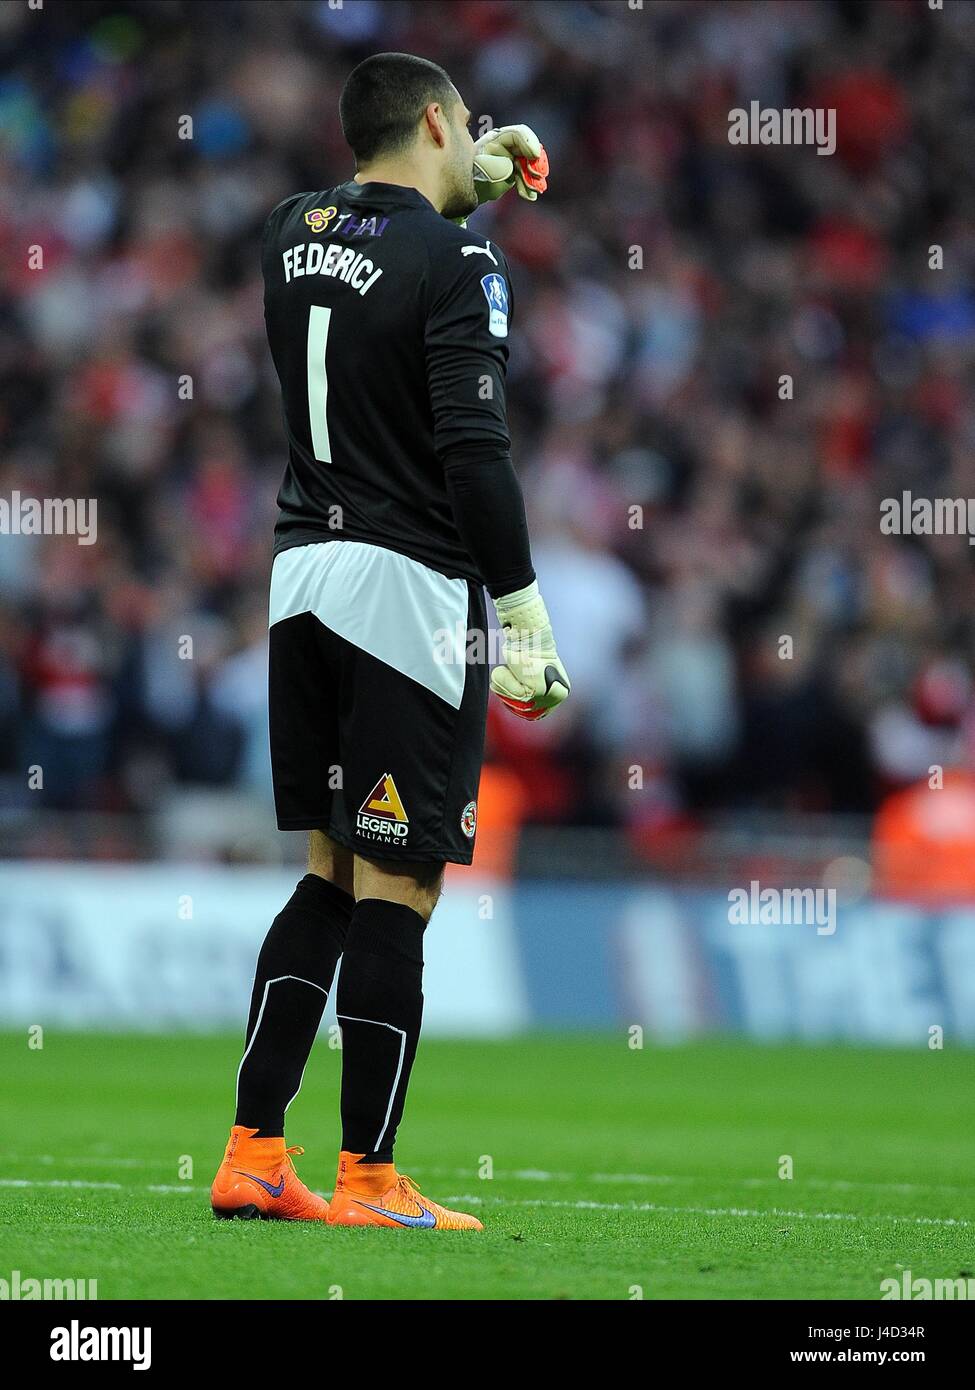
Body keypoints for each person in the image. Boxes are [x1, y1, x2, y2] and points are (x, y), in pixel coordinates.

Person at [210, 52, 569, 1230]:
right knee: (397, 886)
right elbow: (476, 449)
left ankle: (255, 1151)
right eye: (461, 127)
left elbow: (369, 228)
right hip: (410, 587)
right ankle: (370, 1176)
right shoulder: (463, 261)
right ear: (433, 121)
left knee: (326, 872)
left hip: (301, 573)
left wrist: (464, 163)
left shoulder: (283, 230)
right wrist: (519, 609)